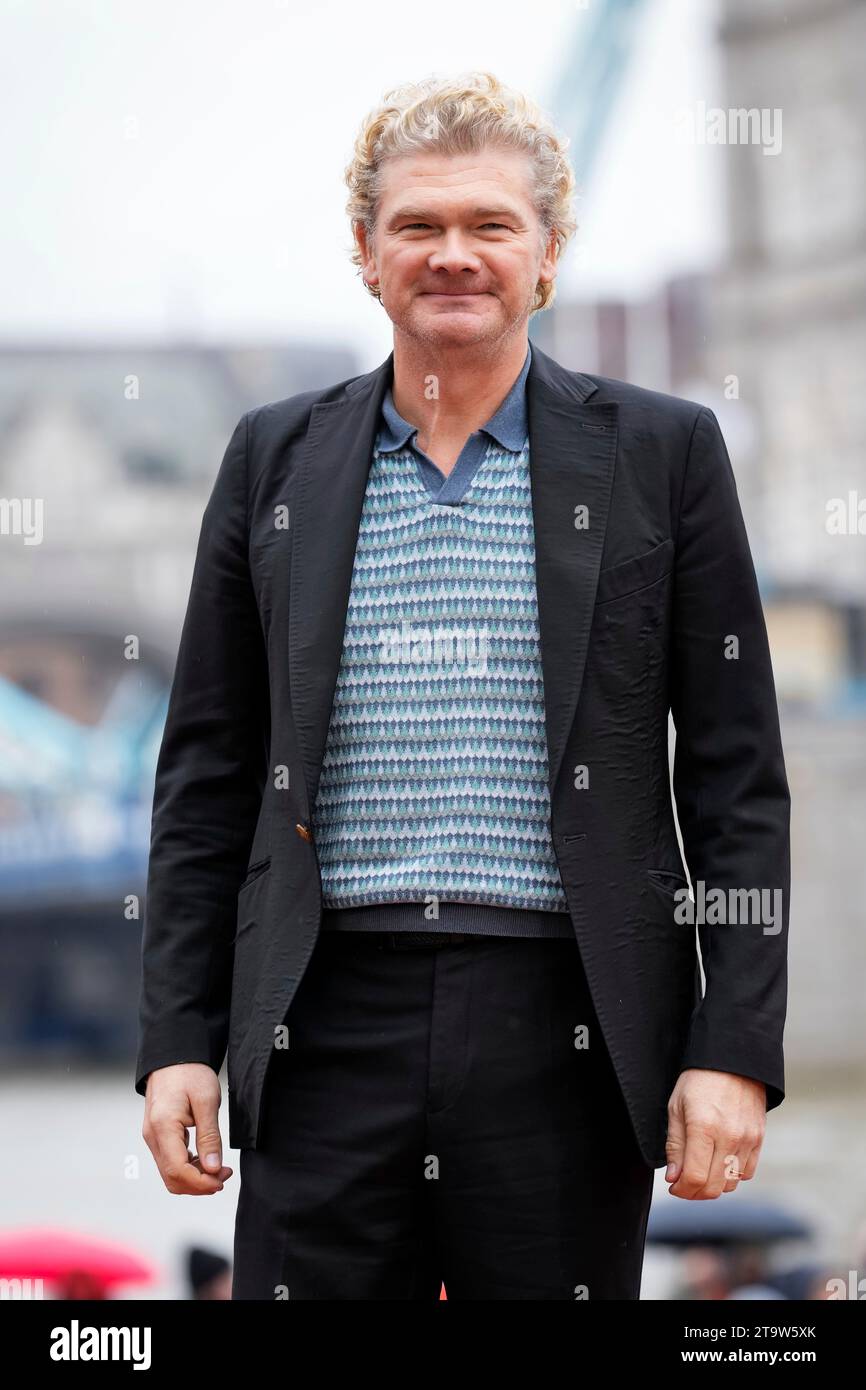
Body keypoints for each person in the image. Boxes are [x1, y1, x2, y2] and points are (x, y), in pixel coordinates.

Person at [135, 71, 791, 1300]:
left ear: (546, 257)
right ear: (365, 253)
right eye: (416, 227)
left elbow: (735, 780)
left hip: (570, 1022)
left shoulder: (663, 455)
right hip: (316, 1016)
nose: (452, 255)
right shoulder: (271, 456)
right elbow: (206, 771)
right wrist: (177, 1038)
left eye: (489, 225)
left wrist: (732, 1046)